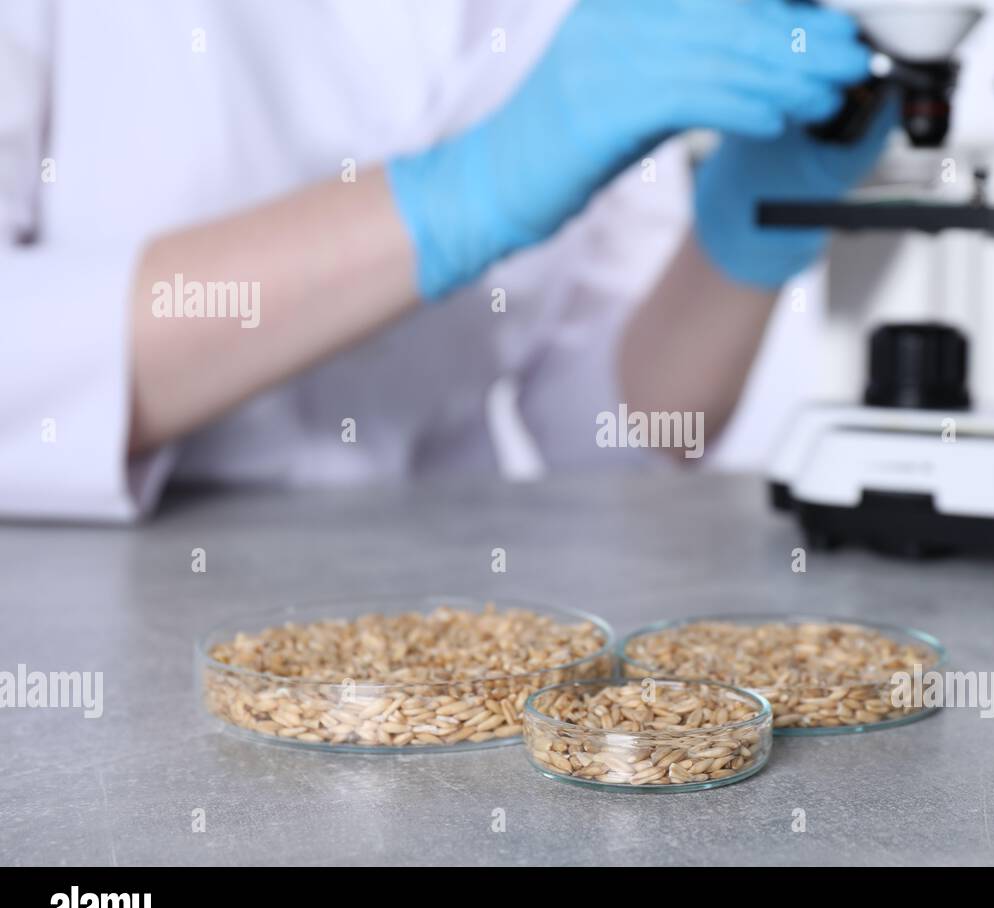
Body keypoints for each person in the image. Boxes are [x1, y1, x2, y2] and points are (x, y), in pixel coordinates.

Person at [0, 0, 896, 521]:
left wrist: (745, 236)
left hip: (449, 605)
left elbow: (616, 438)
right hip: (103, 601)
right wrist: (458, 197)